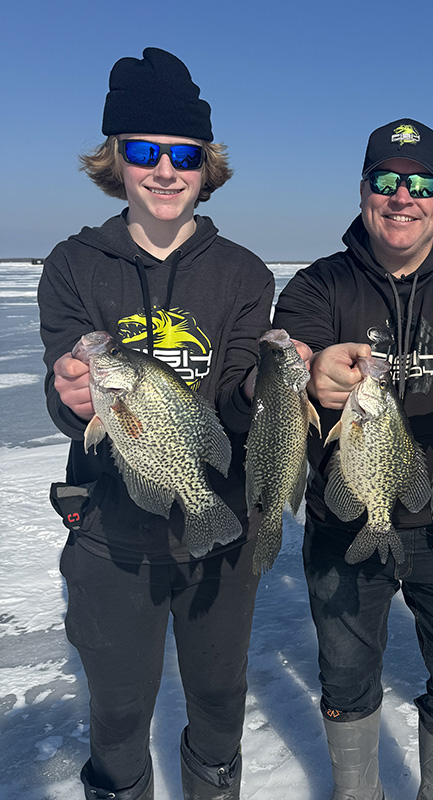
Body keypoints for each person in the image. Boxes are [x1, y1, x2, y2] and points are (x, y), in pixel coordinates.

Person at [272, 118, 433, 800]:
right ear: (364, 190)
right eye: (386, 181)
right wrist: (310, 369)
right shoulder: (316, 285)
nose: (403, 197)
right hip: (349, 517)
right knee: (346, 676)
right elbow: (291, 356)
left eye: (421, 184)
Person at [38, 48, 275, 800]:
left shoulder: (244, 273)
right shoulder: (73, 265)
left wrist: (273, 386)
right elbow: (67, 397)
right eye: (145, 151)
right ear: (117, 159)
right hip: (110, 535)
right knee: (116, 713)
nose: (165, 170)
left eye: (184, 154)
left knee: (216, 702)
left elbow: (235, 410)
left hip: (217, 526)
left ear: (207, 167)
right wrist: (71, 393)